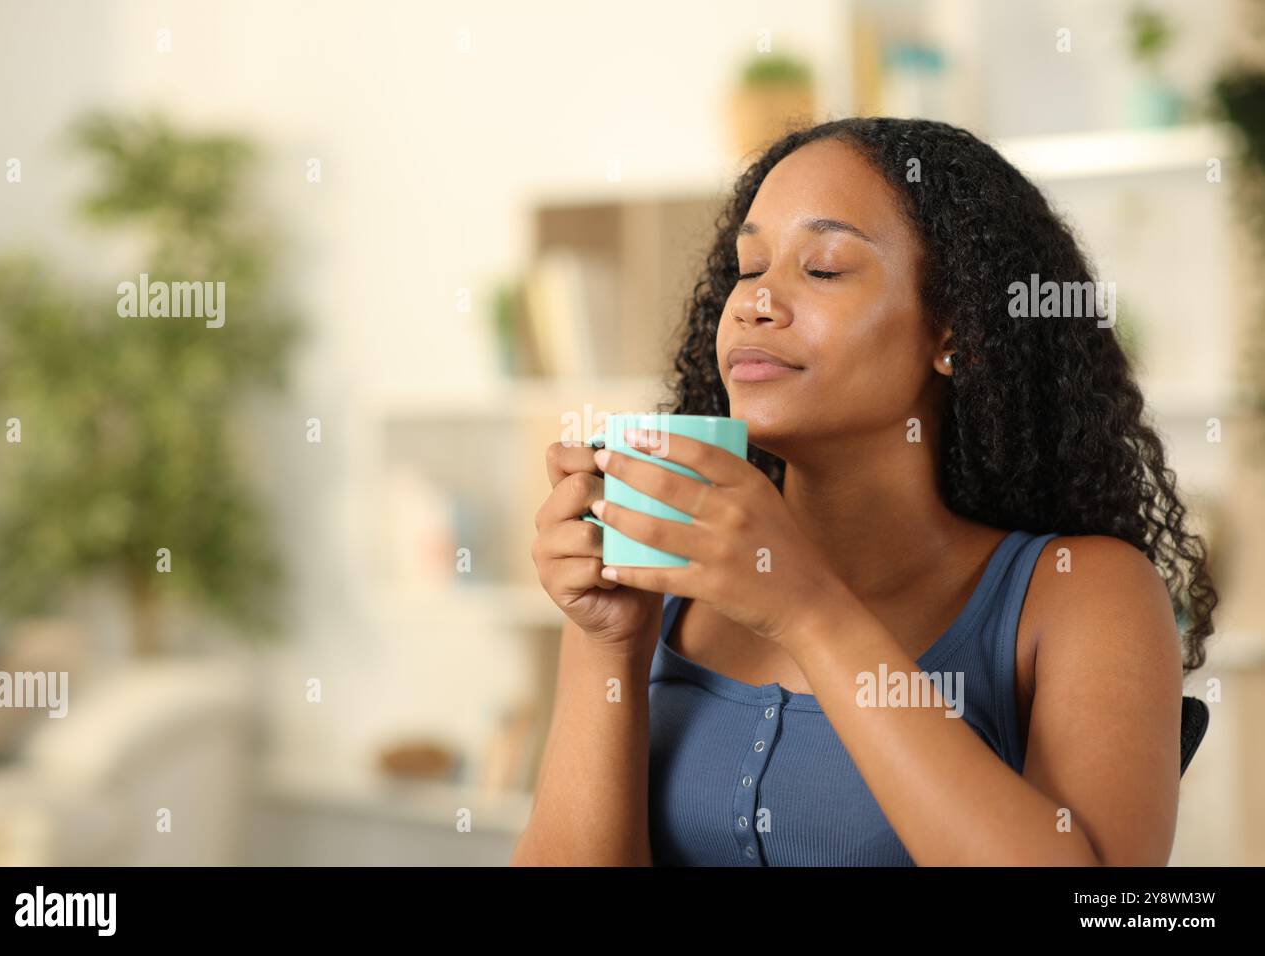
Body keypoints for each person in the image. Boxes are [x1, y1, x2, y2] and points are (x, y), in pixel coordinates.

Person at [512, 117, 1217, 866]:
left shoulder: (1083, 595)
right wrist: (606, 649)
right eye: (749, 268)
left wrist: (810, 611)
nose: (755, 301)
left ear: (956, 332)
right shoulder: (666, 592)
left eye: (823, 269)